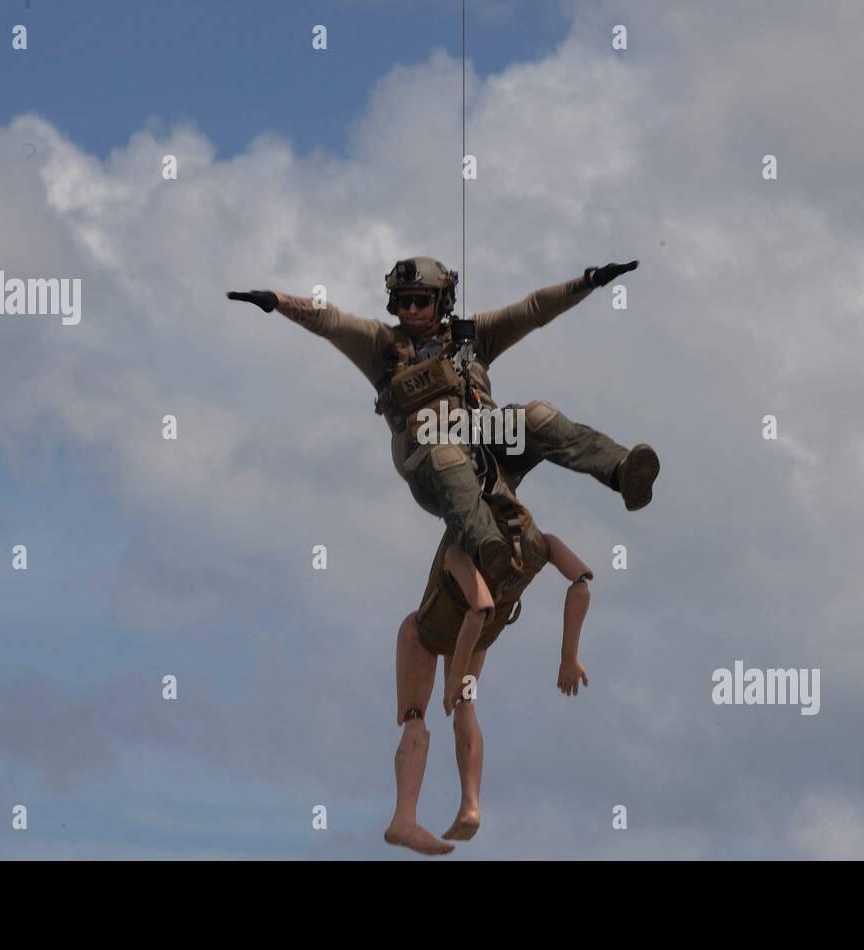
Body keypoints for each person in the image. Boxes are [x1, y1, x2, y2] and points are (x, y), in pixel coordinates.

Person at [227, 257, 660, 576]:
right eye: (403, 302)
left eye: (421, 301)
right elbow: (331, 321)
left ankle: (622, 472)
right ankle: (488, 549)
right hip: (431, 468)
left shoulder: (474, 336)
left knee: (539, 415)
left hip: (488, 446)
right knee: (445, 452)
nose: (412, 310)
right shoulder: (380, 346)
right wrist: (277, 301)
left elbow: (532, 311)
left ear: (442, 300)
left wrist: (588, 282)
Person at [383, 486, 594, 855]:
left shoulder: (460, 550)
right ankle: (471, 806)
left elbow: (478, 608)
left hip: (431, 633)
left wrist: (453, 678)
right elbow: (580, 583)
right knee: (465, 703)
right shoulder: (540, 545)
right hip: (478, 636)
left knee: (416, 716)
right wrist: (568, 656)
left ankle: (405, 817)